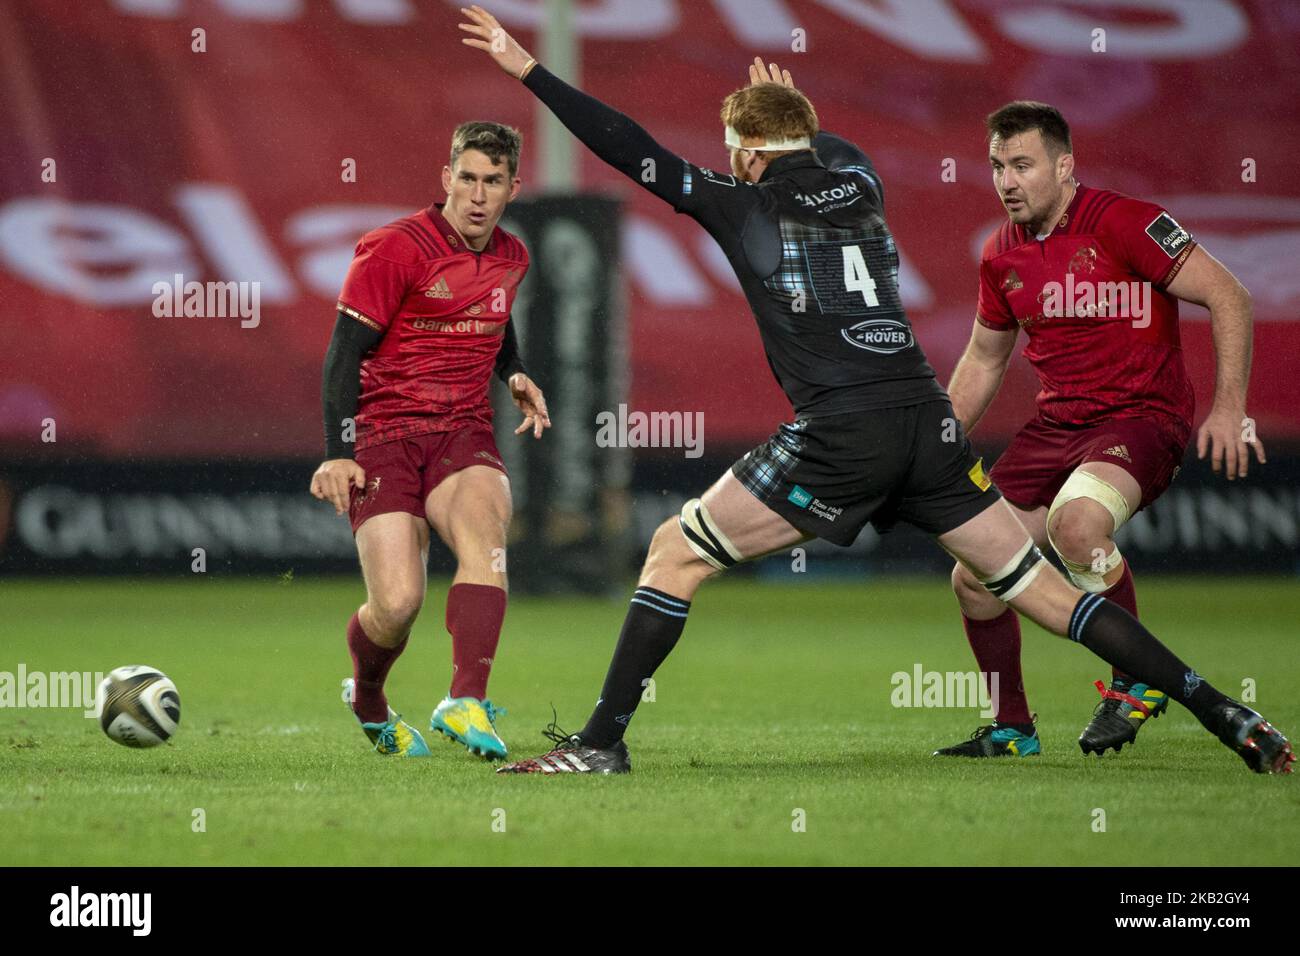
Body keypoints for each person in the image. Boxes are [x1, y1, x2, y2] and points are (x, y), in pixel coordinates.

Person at [457, 5, 1291, 776]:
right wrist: (793, 121)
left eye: (735, 148)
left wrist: (529, 69)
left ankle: (600, 745)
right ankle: (1224, 711)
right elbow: (827, 151)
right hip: (927, 426)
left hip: (841, 433)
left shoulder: (739, 202)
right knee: (1045, 591)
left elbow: (627, 145)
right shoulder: (862, 189)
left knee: (676, 550)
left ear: (747, 153)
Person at [936, 101, 1267, 758]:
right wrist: (935, 443)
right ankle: (1012, 730)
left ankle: (1132, 684)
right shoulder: (1000, 252)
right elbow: (983, 359)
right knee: (974, 574)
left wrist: (1231, 408)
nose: (1007, 181)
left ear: (1065, 166)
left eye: (1023, 165)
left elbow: (1229, 294)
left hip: (1142, 417)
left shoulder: (1127, 222)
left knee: (1077, 526)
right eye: (998, 166)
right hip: (1057, 426)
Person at [309, 120, 550, 760]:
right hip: (385, 433)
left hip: (464, 430)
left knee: (486, 540)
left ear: (513, 188)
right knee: (397, 605)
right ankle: (367, 696)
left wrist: (515, 371)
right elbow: (343, 353)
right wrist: (337, 451)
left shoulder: (513, 256)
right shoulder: (394, 249)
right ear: (447, 178)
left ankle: (465, 698)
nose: (477, 194)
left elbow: (494, 317)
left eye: (492, 182)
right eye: (467, 178)